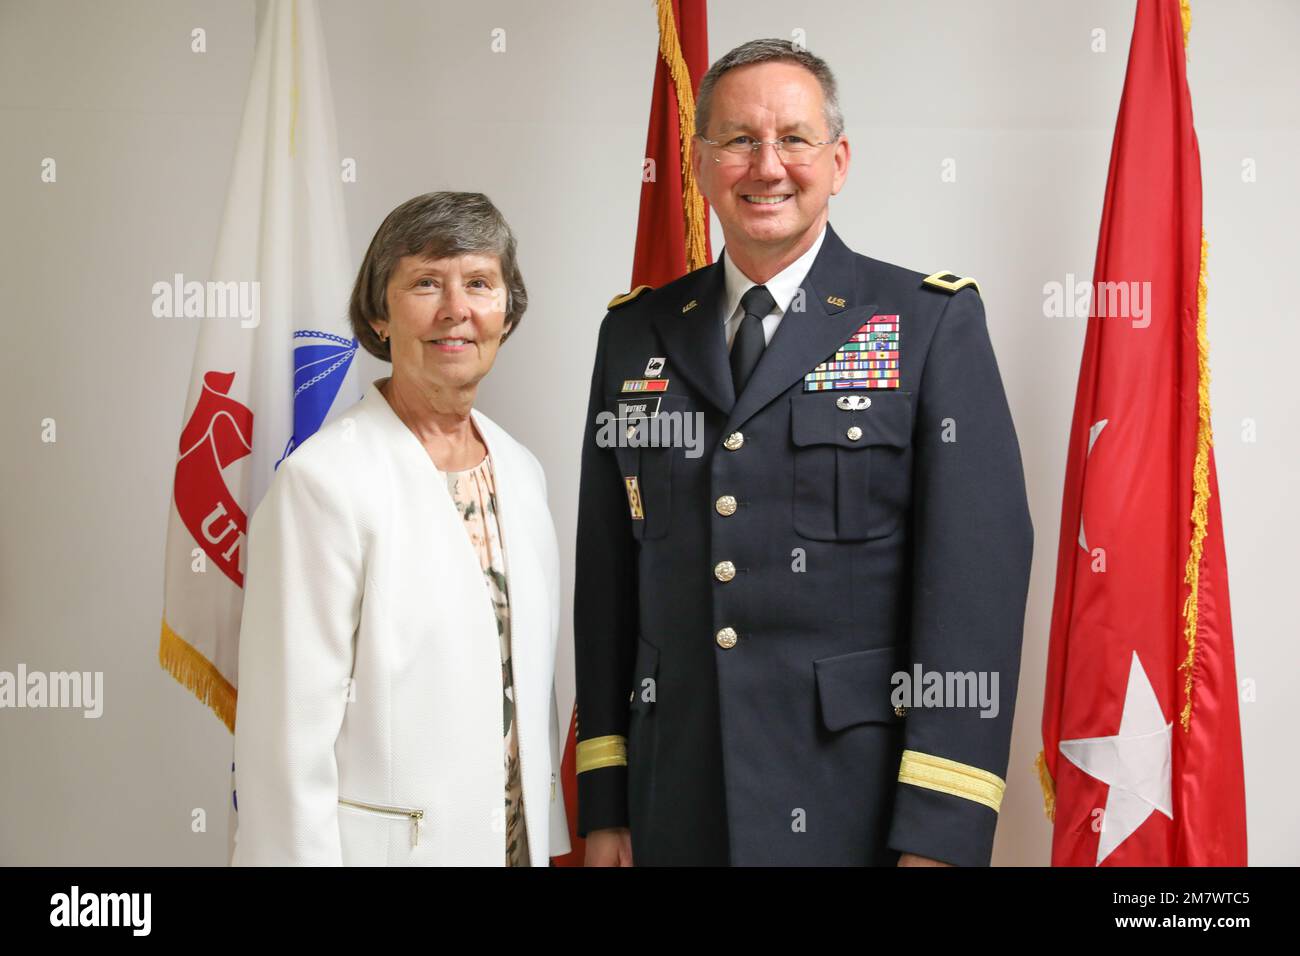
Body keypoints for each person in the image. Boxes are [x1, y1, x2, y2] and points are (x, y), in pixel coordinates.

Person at [574, 39, 1033, 866]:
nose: (767, 165)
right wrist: (605, 799)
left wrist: (940, 828)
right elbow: (607, 574)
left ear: (838, 160)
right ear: (701, 164)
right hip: (676, 798)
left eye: (793, 138)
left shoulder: (925, 323)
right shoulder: (634, 332)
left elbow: (975, 580)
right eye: (740, 140)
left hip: (854, 802)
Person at [232, 192, 569, 866]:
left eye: (479, 283)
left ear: (507, 310)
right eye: (425, 283)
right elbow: (284, 744)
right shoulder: (322, 484)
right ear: (380, 316)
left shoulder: (523, 473)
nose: (456, 310)